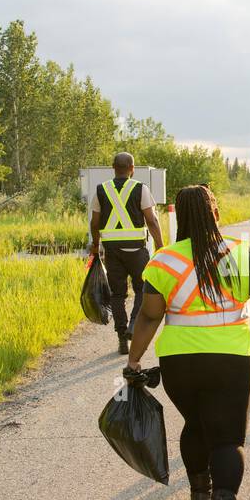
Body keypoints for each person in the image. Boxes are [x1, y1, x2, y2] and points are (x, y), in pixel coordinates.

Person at [127, 185, 250, 500]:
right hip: (229, 359)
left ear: (180, 216)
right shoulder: (240, 254)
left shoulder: (164, 261)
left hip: (179, 363)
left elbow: (149, 315)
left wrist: (133, 360)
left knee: (196, 422)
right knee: (227, 439)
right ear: (216, 214)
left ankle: (199, 489)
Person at [90, 152, 165, 355]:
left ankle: (121, 334)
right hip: (136, 250)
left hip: (112, 252)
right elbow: (151, 220)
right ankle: (133, 324)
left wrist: (95, 246)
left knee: (118, 294)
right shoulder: (141, 189)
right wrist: (160, 246)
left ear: (113, 167)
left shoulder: (101, 190)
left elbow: (95, 223)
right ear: (132, 168)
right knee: (142, 288)